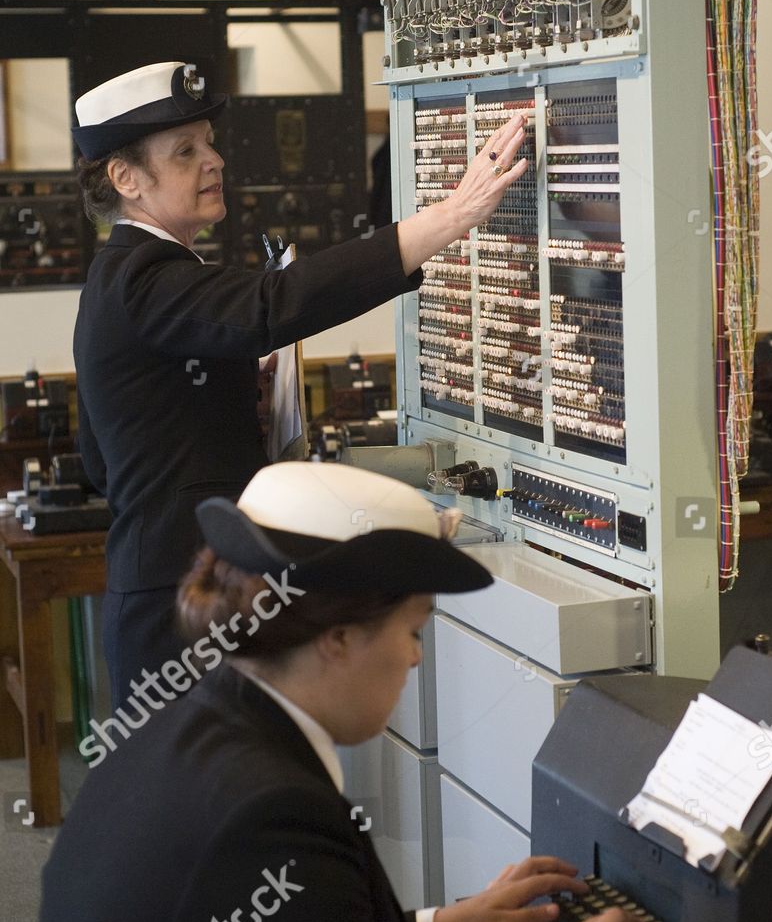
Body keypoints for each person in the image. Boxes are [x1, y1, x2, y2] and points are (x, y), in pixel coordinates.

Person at [23, 462, 639, 922]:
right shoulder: (267, 814)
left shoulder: (198, 724)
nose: (414, 659)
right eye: (412, 630)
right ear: (339, 638)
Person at [71, 60, 528, 700]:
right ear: (126, 179)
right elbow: (272, 306)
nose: (215, 161)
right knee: (209, 792)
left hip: (172, 591)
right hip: (176, 608)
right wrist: (451, 217)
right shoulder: (145, 277)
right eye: (185, 151)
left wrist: (216, 395)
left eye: (209, 142)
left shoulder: (119, 278)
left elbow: (99, 457)